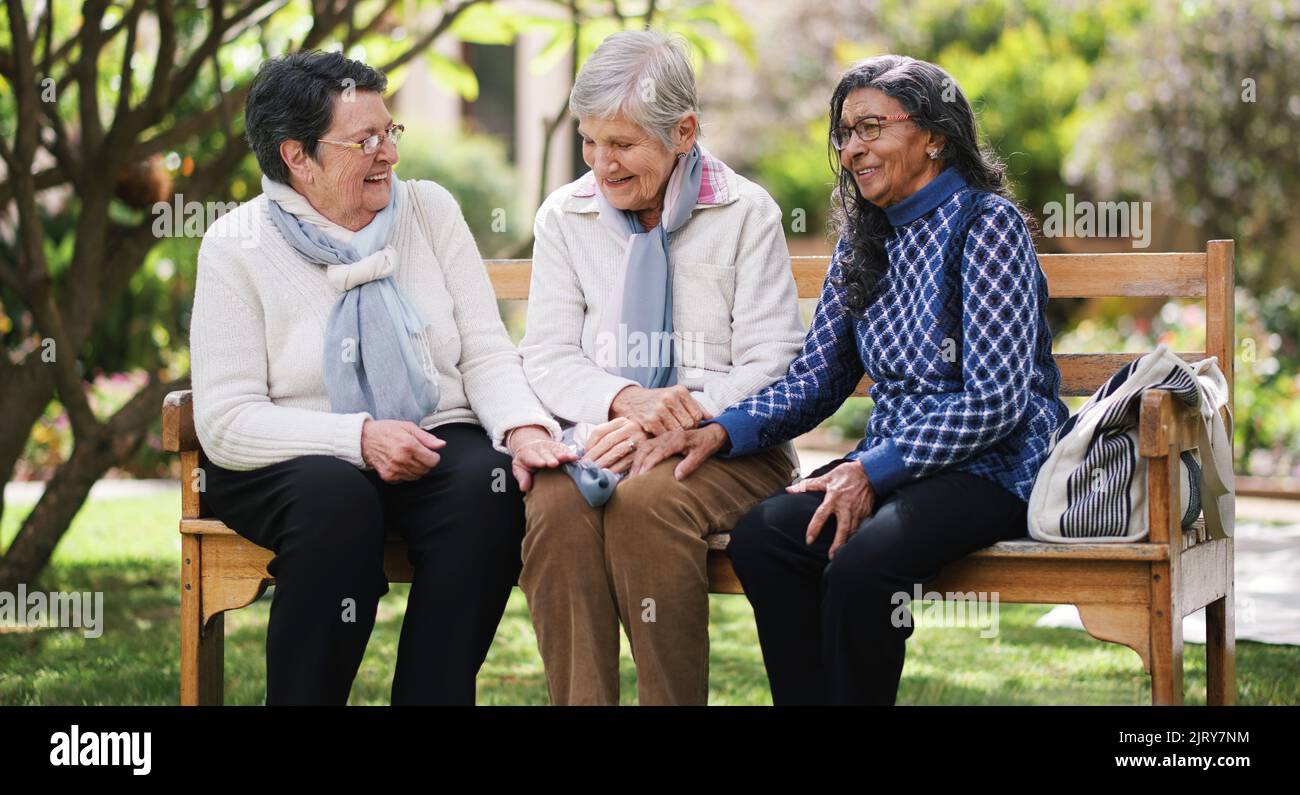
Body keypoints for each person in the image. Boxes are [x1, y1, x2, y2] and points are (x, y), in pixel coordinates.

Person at [632, 55, 1070, 705]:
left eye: (870, 128)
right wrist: (721, 430)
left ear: (934, 136)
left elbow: (996, 400)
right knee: (766, 537)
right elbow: (818, 376)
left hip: (993, 464)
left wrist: (871, 470)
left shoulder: (987, 224)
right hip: (892, 463)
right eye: (843, 134)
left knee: (864, 565)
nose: (852, 149)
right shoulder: (864, 239)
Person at [189, 50, 574, 705]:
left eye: (390, 132)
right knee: (336, 502)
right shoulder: (236, 246)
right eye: (364, 140)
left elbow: (485, 352)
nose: (388, 154)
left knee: (487, 489)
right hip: (293, 452)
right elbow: (226, 420)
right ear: (297, 157)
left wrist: (524, 428)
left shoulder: (429, 211)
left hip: (433, 427)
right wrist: (360, 438)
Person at [518, 30, 806, 705]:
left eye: (621, 144)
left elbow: (773, 359)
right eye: (590, 141)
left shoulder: (746, 213)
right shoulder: (565, 216)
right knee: (556, 503)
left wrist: (679, 415)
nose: (602, 163)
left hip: (729, 442)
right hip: (603, 433)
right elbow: (547, 355)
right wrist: (627, 401)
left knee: (648, 501)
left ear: (684, 132)